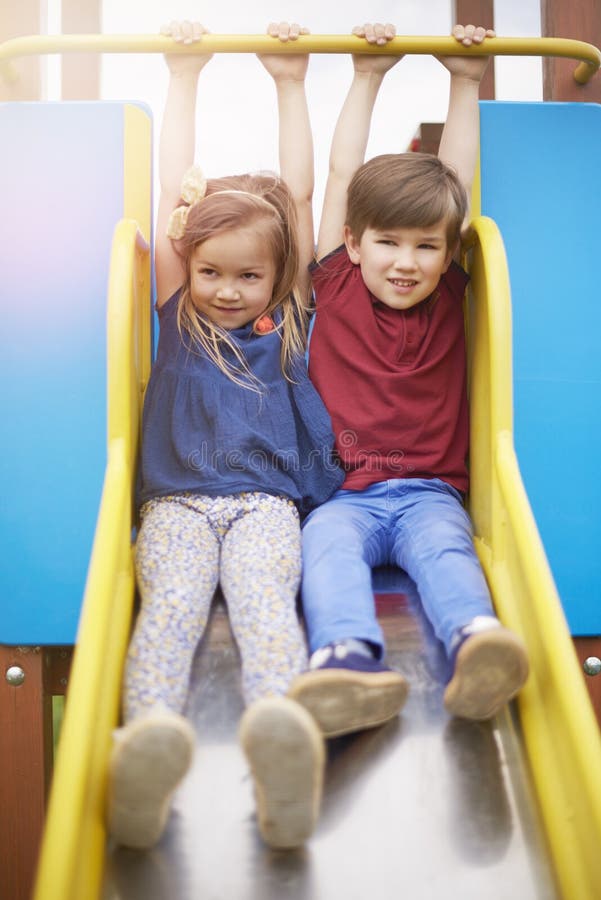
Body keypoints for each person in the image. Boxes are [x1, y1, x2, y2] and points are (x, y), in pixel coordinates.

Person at [106, 21, 343, 852]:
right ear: (188, 263)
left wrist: (290, 84)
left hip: (265, 507)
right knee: (167, 607)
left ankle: (282, 750)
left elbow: (305, 201)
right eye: (211, 271)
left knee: (265, 606)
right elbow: (172, 180)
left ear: (279, 276)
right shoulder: (177, 317)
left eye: (248, 275)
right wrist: (184, 75)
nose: (227, 289)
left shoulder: (288, 324)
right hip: (174, 505)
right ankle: (147, 751)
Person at [288, 23, 530, 737]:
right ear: (355, 244)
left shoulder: (450, 293)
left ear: (445, 251)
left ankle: (475, 644)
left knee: (447, 554)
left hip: (429, 492)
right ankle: (346, 662)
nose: (405, 261)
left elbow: (451, 180)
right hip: (344, 497)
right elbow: (339, 177)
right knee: (323, 553)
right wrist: (367, 77)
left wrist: (462, 80)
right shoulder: (333, 285)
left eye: (425, 246)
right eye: (387, 242)